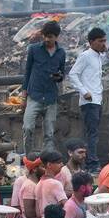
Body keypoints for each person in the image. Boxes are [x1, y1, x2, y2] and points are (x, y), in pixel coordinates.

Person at [21, 20, 66, 154]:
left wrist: (59, 76)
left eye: (50, 36)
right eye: (45, 36)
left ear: (56, 37)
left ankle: (47, 162)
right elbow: (27, 72)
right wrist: (24, 96)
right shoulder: (34, 49)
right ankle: (28, 158)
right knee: (28, 128)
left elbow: (62, 73)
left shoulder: (61, 53)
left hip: (51, 98)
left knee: (49, 133)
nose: (47, 39)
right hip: (34, 95)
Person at [67, 27, 107, 171]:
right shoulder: (85, 56)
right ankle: (92, 164)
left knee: (94, 133)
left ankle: (91, 162)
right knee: (92, 134)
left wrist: (107, 50)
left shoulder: (99, 56)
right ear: (91, 42)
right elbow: (72, 74)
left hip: (97, 100)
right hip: (89, 101)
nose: (103, 44)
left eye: (105, 41)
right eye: (100, 41)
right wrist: (84, 92)